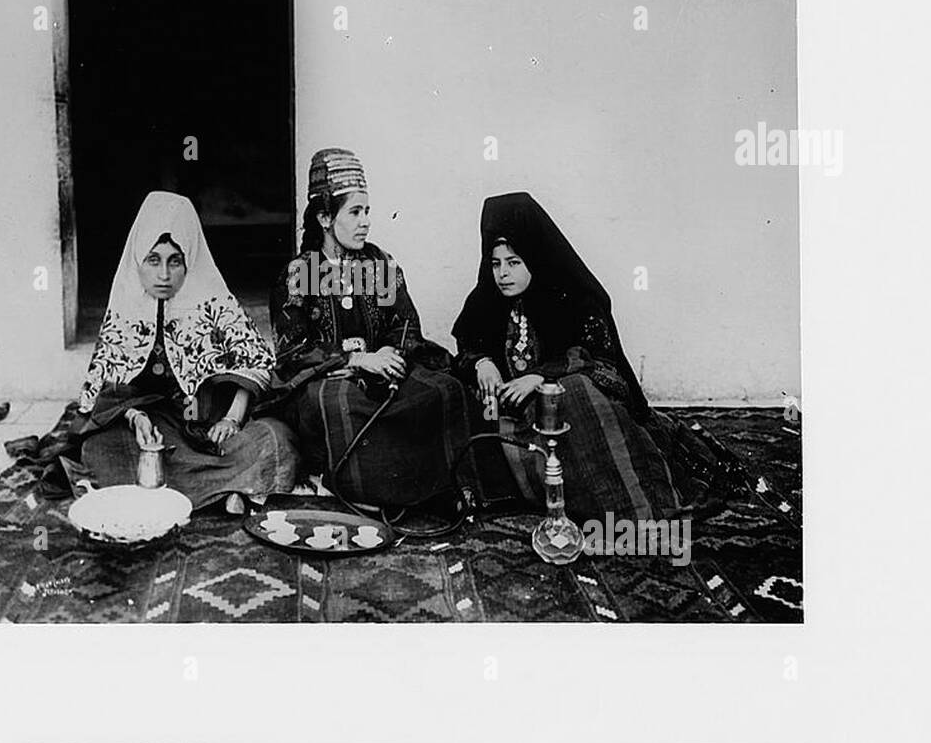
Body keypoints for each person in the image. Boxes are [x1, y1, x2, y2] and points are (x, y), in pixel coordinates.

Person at [452, 192, 743, 523]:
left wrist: (541, 377)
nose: (503, 273)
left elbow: (600, 360)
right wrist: (481, 363)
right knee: (451, 396)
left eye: (514, 262)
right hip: (510, 414)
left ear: (535, 255)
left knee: (575, 394)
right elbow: (467, 345)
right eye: (495, 263)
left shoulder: (574, 296)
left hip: (563, 405)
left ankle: (630, 509)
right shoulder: (485, 300)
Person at [268, 148, 473, 511]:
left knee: (445, 389)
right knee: (333, 404)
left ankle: (424, 488)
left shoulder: (380, 263)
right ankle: (355, 491)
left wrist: (389, 356)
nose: (365, 222)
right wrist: (357, 359)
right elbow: (293, 350)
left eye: (367, 212)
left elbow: (405, 324)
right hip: (330, 379)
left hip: (383, 375)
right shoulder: (299, 274)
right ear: (324, 217)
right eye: (355, 212)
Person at [74, 191, 299, 513]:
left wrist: (232, 419)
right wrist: (136, 418)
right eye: (153, 260)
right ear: (139, 259)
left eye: (174, 261)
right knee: (101, 447)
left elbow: (257, 363)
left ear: (190, 258)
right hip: (159, 423)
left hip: (214, 425)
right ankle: (229, 490)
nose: (164, 274)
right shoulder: (126, 307)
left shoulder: (215, 302)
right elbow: (106, 387)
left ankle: (194, 489)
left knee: (275, 437)